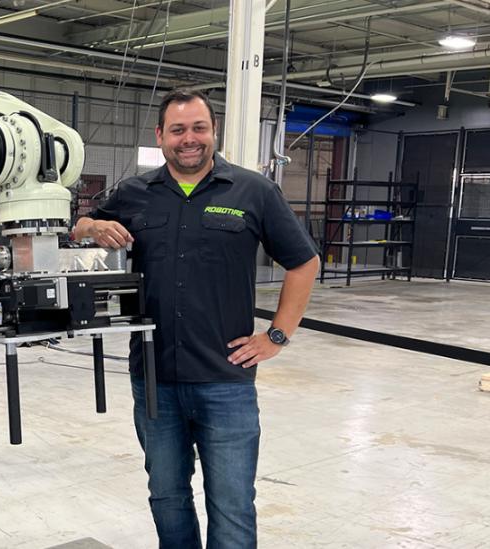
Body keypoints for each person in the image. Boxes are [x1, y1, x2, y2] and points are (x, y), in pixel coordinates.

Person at [73, 88, 320, 548]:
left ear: (214, 131)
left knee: (231, 503)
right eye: (179, 130)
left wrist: (277, 335)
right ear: (161, 136)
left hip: (225, 378)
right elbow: (79, 226)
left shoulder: (254, 191)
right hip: (153, 377)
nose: (190, 139)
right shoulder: (134, 192)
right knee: (166, 495)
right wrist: (92, 226)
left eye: (199, 128)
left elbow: (304, 263)